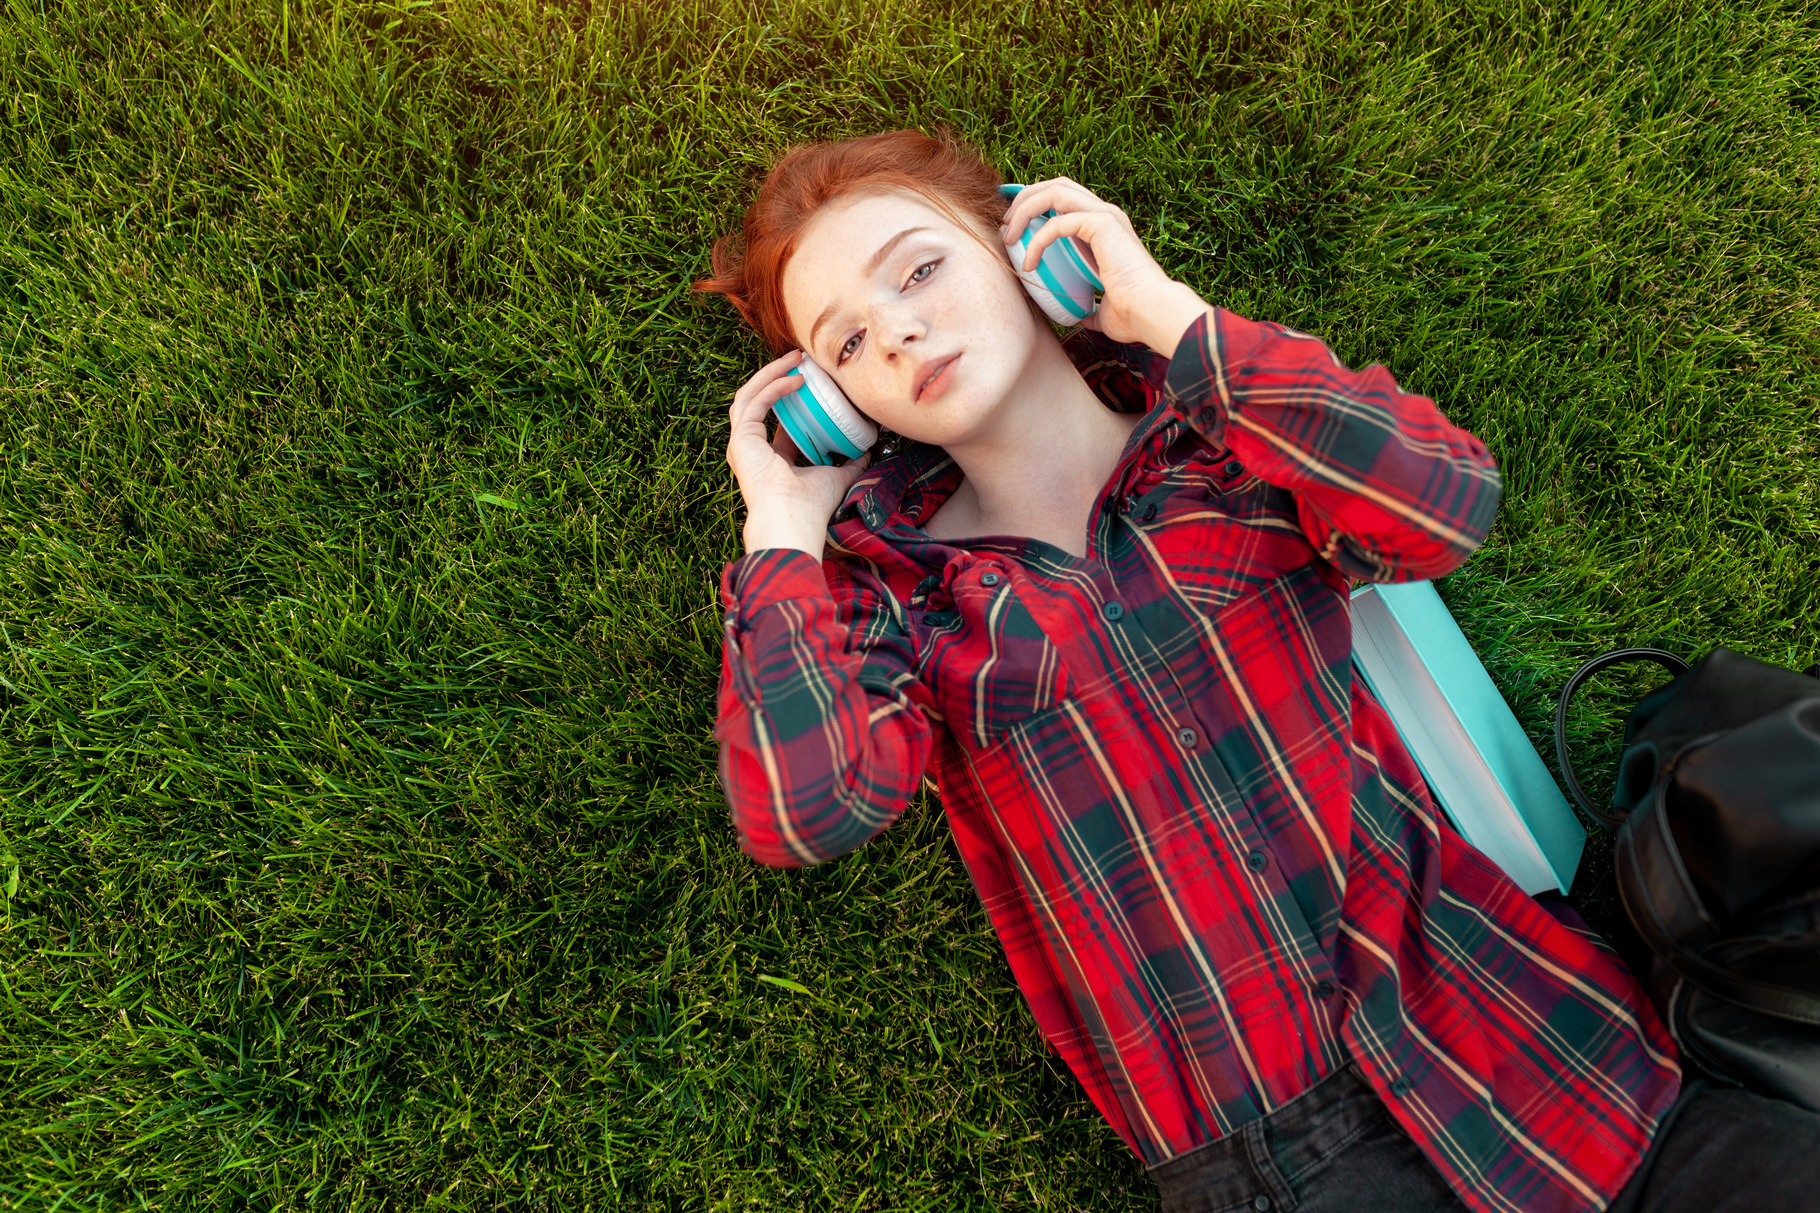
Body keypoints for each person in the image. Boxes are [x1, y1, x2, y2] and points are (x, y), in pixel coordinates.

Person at [694, 129, 1820, 1212]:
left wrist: (1164, 315)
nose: (895, 335)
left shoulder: (1224, 451)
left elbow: (1441, 503)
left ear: (1025, 252)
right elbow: (810, 808)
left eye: (922, 270)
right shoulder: (897, 601)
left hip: (1535, 1032)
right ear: (832, 410)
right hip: (1283, 1158)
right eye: (843, 346)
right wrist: (781, 534)